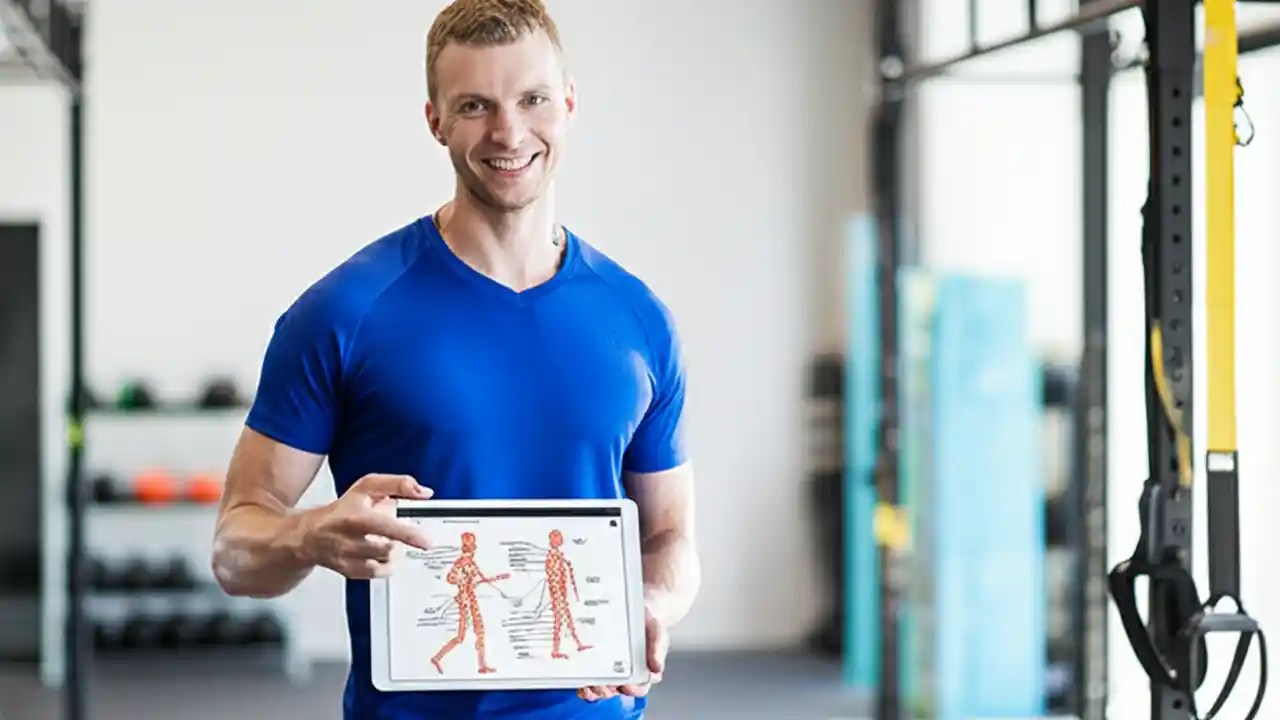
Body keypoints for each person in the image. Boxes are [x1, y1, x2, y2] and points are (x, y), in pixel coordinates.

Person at [209, 0, 701, 718]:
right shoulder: (344, 312)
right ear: (435, 119)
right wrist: (310, 532)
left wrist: (654, 600)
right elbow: (234, 548)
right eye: (475, 105)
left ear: (568, 103)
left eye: (532, 99)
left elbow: (671, 536)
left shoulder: (638, 321)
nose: (509, 132)